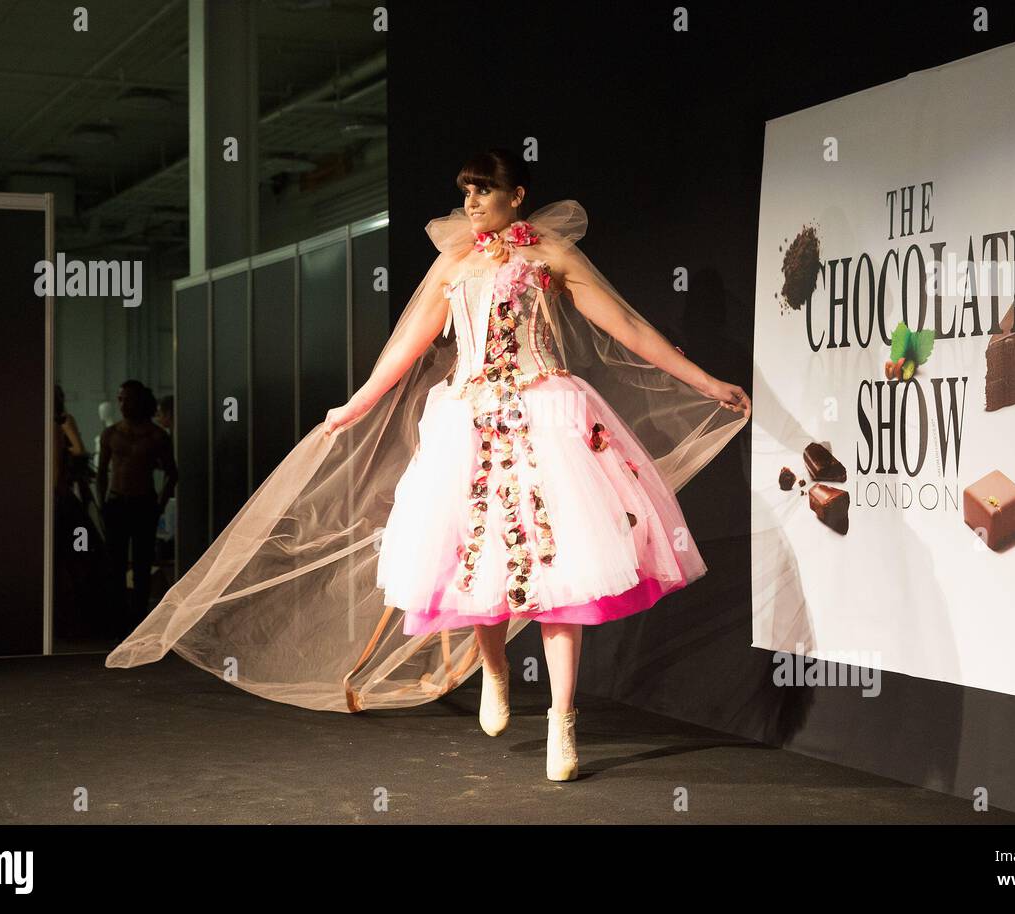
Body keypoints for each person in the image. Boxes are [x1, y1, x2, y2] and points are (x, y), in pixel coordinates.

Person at [106, 148, 751, 783]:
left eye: (481, 191)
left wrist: (703, 380)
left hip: (543, 415)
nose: (468, 203)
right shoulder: (454, 266)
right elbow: (407, 348)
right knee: (471, 557)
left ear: (515, 195)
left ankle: (562, 718)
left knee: (562, 575)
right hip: (467, 421)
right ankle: (494, 670)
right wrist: (354, 406)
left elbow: (628, 327)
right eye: (464, 191)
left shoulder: (551, 256)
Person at [98, 381, 178, 632]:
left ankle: (140, 620)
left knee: (142, 565)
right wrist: (103, 504)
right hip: (117, 502)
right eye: (120, 399)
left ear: (139, 401)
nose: (122, 405)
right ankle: (116, 620)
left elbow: (172, 473)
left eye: (127, 399)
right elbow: (101, 472)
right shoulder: (111, 434)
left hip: (143, 504)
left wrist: (158, 506)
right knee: (115, 564)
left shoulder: (156, 436)